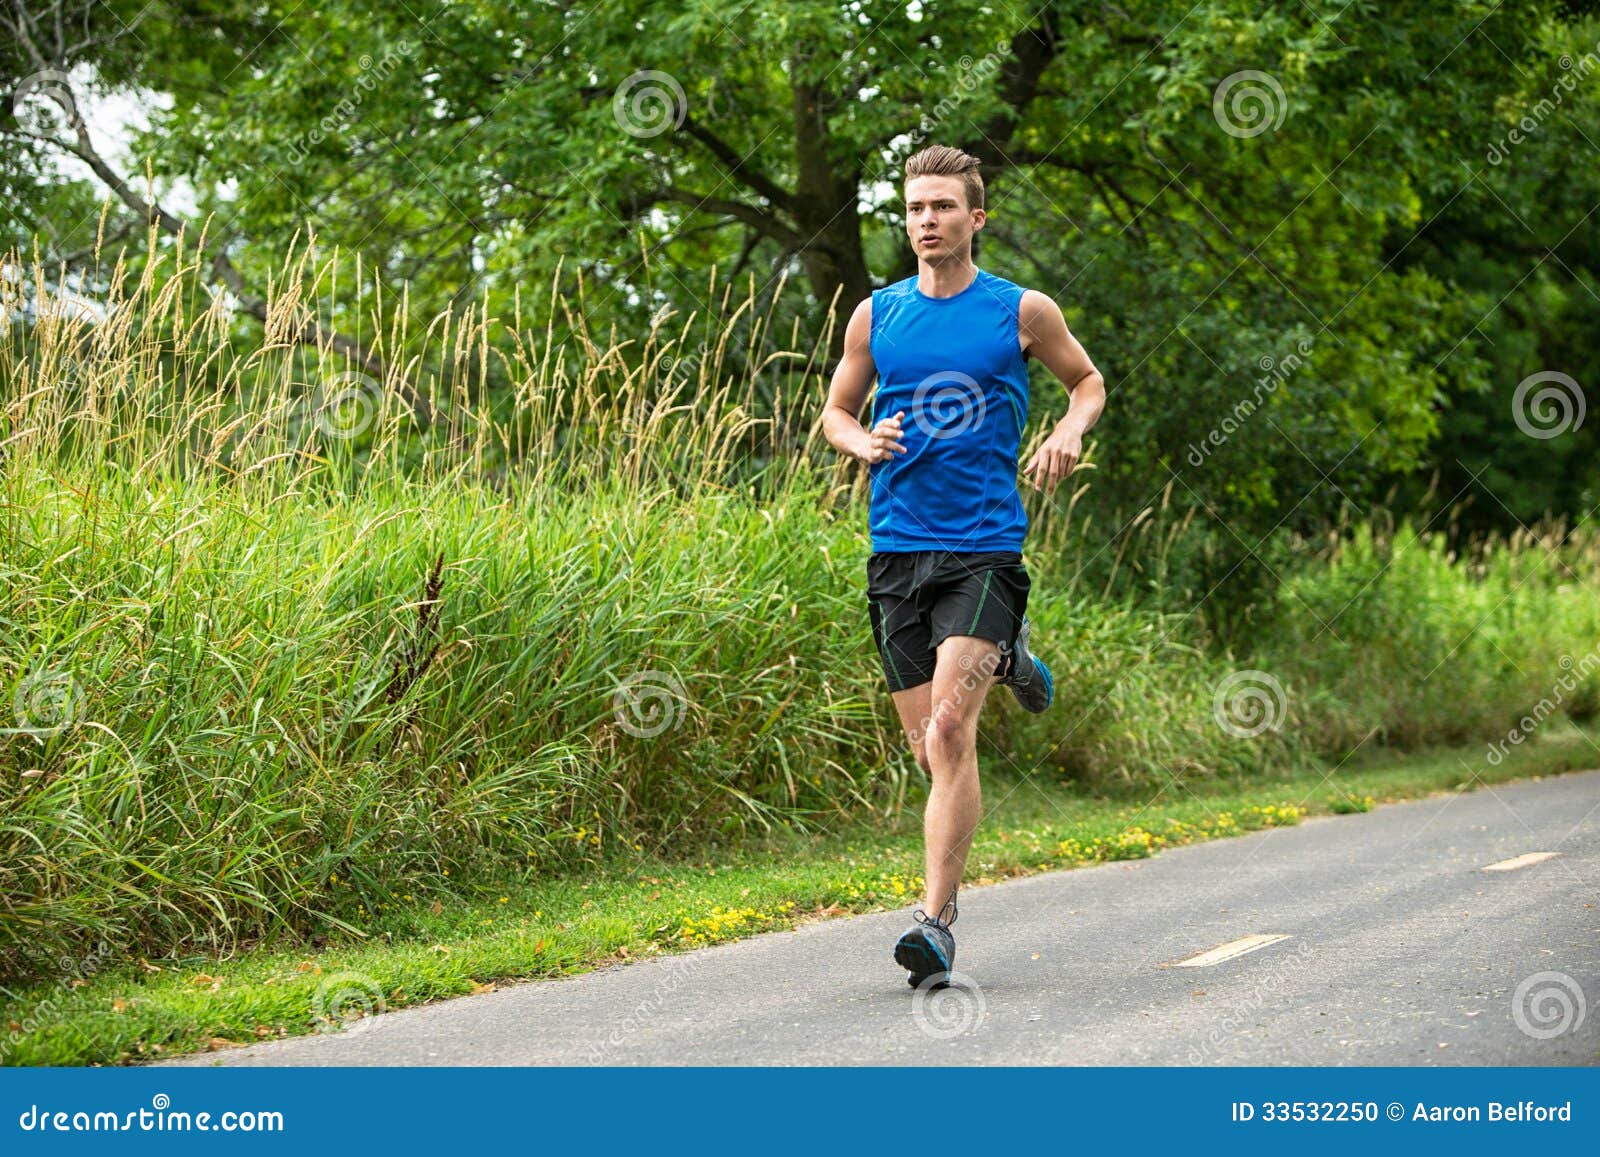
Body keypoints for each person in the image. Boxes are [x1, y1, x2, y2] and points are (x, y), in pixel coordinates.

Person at [821, 144, 1106, 988]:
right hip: (895, 550)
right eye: (915, 208)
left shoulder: (1021, 310)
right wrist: (862, 440)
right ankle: (1011, 658)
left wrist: (1067, 429)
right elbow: (836, 410)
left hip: (983, 547)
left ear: (975, 217)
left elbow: (1087, 382)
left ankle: (935, 922)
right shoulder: (877, 315)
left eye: (943, 206)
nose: (927, 220)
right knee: (929, 752)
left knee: (950, 730)